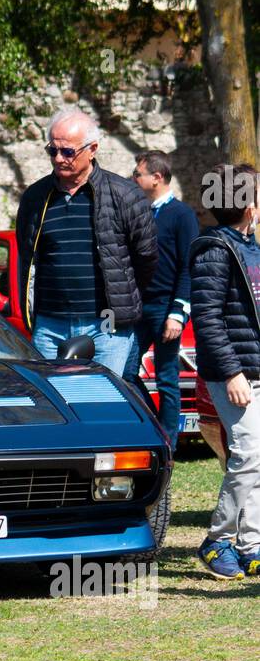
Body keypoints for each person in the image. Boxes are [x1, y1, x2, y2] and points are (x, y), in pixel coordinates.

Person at [16, 106, 157, 374]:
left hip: (106, 326)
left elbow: (146, 257)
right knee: (53, 406)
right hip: (50, 324)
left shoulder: (125, 195)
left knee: (101, 405)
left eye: (68, 151)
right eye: (52, 150)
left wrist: (122, 299)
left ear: (92, 149)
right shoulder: (35, 197)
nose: (58, 158)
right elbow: (27, 257)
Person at [190, 163, 260, 580]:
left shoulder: (251, 248)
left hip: (256, 366)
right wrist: (232, 372)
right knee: (248, 455)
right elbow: (208, 319)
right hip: (232, 373)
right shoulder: (214, 249)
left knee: (259, 459)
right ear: (249, 206)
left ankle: (252, 544)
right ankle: (217, 539)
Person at [123, 151, 200, 450]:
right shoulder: (140, 212)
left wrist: (178, 313)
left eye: (138, 173)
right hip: (139, 307)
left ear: (156, 177)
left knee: (167, 379)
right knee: (126, 372)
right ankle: (155, 428)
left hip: (166, 308)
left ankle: (168, 445)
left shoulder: (182, 215)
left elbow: (189, 266)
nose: (133, 178)